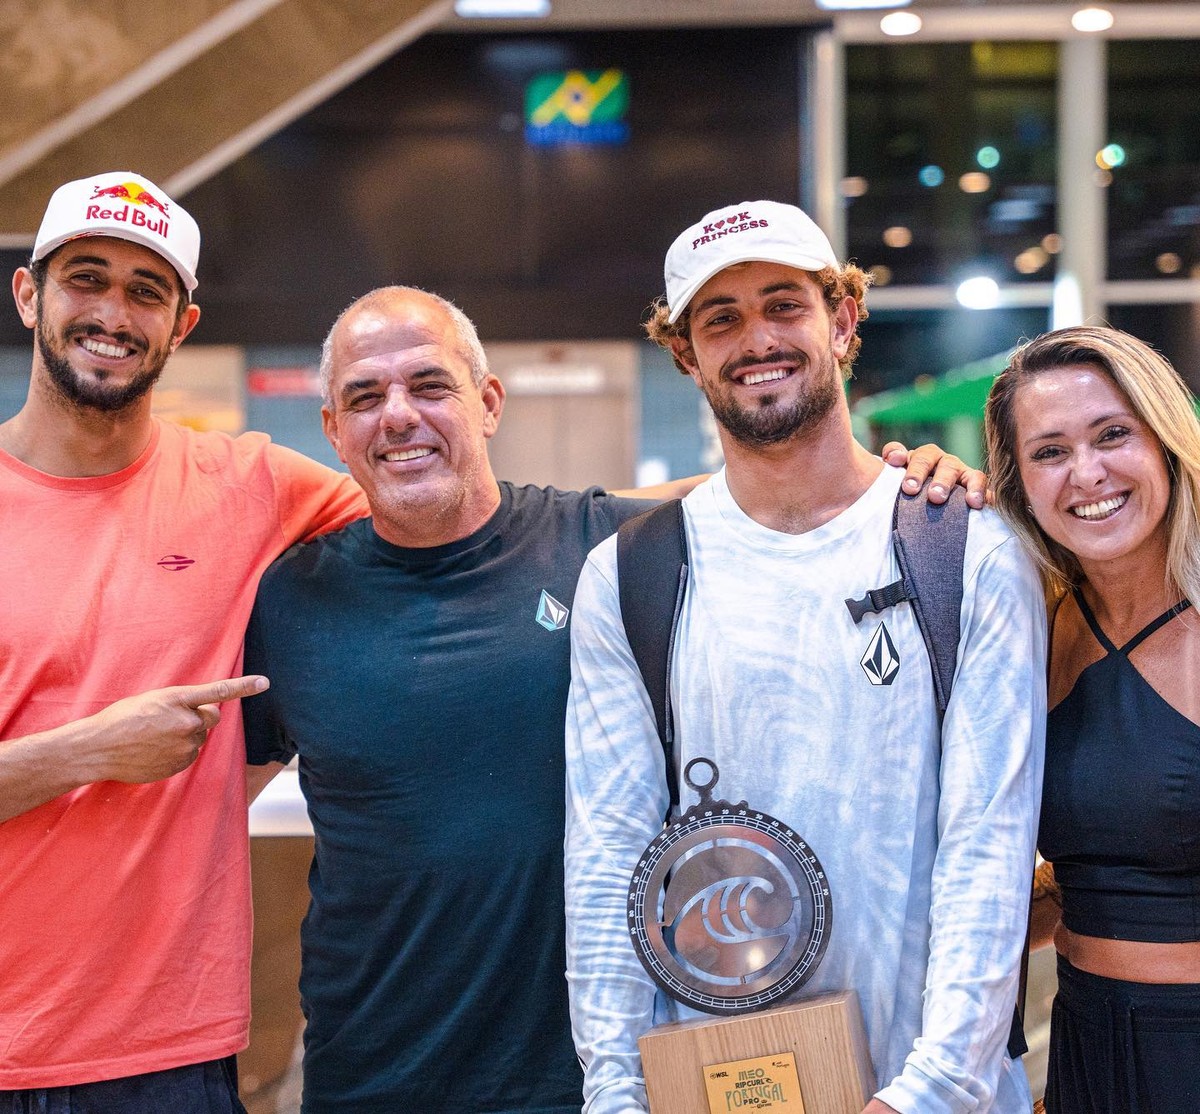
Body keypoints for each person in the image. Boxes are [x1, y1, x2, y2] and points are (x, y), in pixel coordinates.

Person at [240, 283, 984, 1113]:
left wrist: (898, 479)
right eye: (365, 397)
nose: (399, 415)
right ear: (333, 429)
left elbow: (765, 495)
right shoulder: (289, 603)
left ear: (488, 403)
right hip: (371, 1071)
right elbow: (203, 816)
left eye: (430, 385)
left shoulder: (611, 555)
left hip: (600, 1076)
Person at [563, 199, 1047, 1114]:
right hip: (717, 1087)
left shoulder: (964, 552)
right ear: (685, 353)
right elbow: (608, 861)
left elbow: (987, 853)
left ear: (843, 319)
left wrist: (933, 1091)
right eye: (722, 318)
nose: (758, 339)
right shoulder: (629, 575)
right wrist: (617, 1095)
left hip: (941, 1089)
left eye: (784, 304)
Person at [0, 172, 365, 1111]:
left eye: (146, 291)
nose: (113, 312)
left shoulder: (251, 486)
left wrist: (762, 488)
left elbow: (466, 528)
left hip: (167, 1055)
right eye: (87, 278)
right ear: (30, 293)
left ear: (181, 325)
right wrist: (88, 752)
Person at [982, 325, 1200, 1114]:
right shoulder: (1034, 630)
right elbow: (1092, 869)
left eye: (1113, 435)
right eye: (1049, 451)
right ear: (1018, 482)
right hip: (1081, 1046)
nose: (1088, 473)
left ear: (1167, 442)